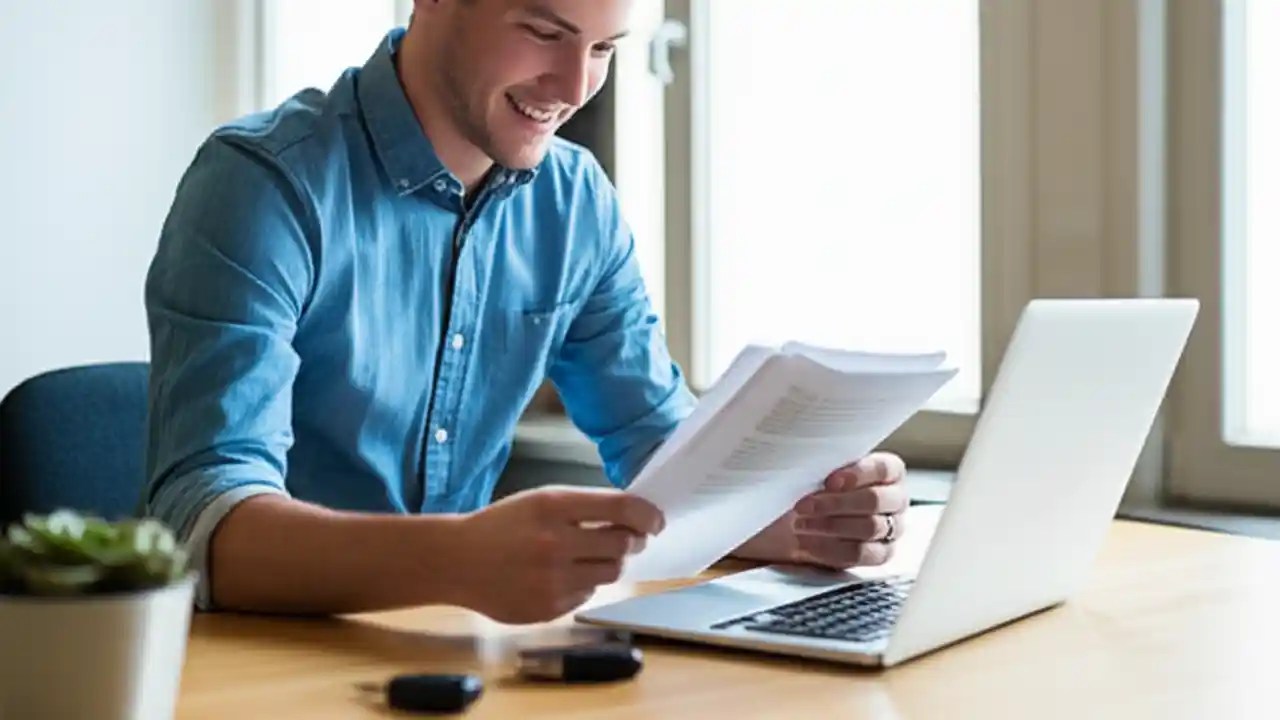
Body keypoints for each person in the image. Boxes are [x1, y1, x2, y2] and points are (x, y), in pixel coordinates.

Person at [143, 0, 910, 622]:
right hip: (259, 667)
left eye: (606, 49)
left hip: (455, 658)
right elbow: (199, 528)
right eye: (545, 31)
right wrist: (460, 560)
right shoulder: (263, 185)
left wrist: (802, 520)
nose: (575, 87)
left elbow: (663, 456)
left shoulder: (576, 204)